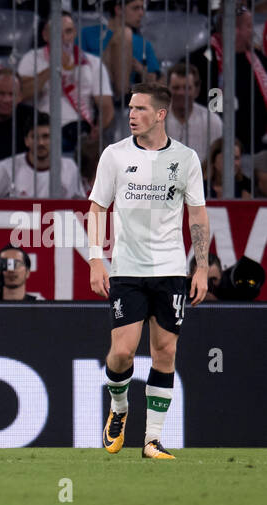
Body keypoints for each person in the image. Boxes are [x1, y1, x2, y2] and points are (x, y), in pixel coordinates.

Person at [87, 82, 208, 460]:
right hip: (127, 269)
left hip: (171, 269)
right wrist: (95, 258)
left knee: (165, 352)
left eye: (140, 109)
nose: (131, 115)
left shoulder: (186, 159)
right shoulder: (115, 155)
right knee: (121, 354)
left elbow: (197, 214)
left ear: (160, 114)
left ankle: (152, 440)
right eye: (129, 108)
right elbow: (97, 209)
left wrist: (201, 267)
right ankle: (119, 408)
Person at [17, 12, 114, 160]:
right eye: (57, 32)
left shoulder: (92, 63)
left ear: (74, 33)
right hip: (42, 131)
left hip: (80, 131)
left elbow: (107, 107)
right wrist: (52, 68)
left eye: (68, 31)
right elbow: (22, 94)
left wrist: (98, 130)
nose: (63, 38)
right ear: (45, 35)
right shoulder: (32, 59)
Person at [184, 5, 267, 159]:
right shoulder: (202, 59)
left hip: (257, 145)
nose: (253, 32)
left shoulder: (259, 60)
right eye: (248, 26)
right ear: (232, 30)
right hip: (215, 145)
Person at [0, 113, 85, 198]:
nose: (41, 142)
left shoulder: (70, 167)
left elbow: (80, 205)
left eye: (46, 136)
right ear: (26, 141)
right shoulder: (7, 167)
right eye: (35, 137)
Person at [164, 64, 221, 164]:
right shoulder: (154, 120)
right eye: (176, 88)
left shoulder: (212, 122)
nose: (181, 93)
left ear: (197, 90)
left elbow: (217, 162)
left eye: (187, 88)